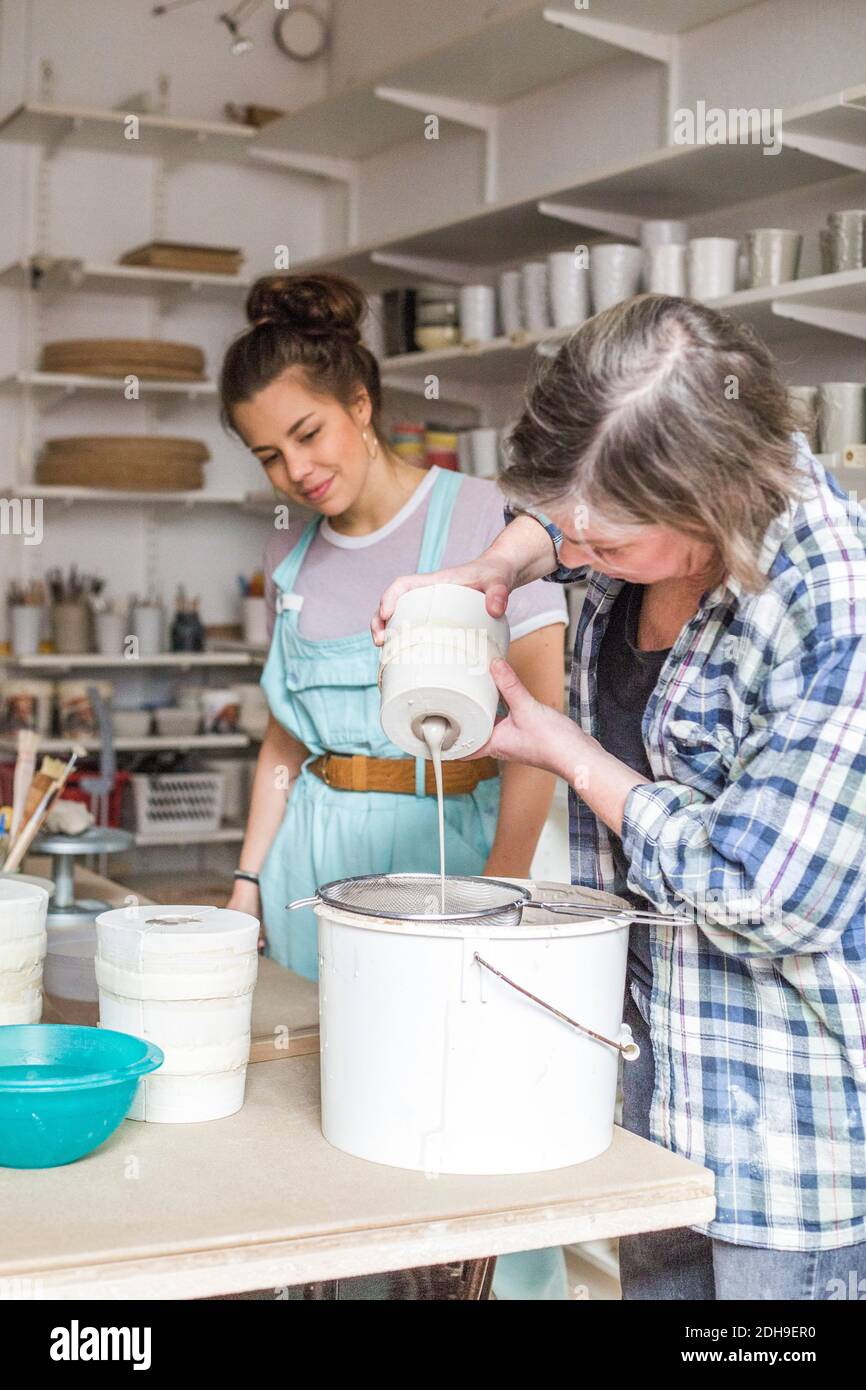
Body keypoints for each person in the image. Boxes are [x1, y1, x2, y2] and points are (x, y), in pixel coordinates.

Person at [374, 293, 866, 1300]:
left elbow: (766, 894)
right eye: (571, 533)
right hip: (652, 1109)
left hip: (785, 1142)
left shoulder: (834, 604)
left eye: (603, 545)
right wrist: (497, 563)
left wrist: (568, 754)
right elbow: (568, 521)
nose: (579, 558)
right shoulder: (632, 534)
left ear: (712, 498)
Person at [221, 271, 570, 1301]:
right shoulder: (293, 554)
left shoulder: (485, 520)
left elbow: (535, 729)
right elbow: (286, 744)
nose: (296, 469)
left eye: (309, 433)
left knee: (466, 1117)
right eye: (269, 455)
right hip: (312, 874)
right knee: (329, 1119)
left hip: (448, 865)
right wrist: (245, 881)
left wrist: (501, 889)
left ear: (361, 406)